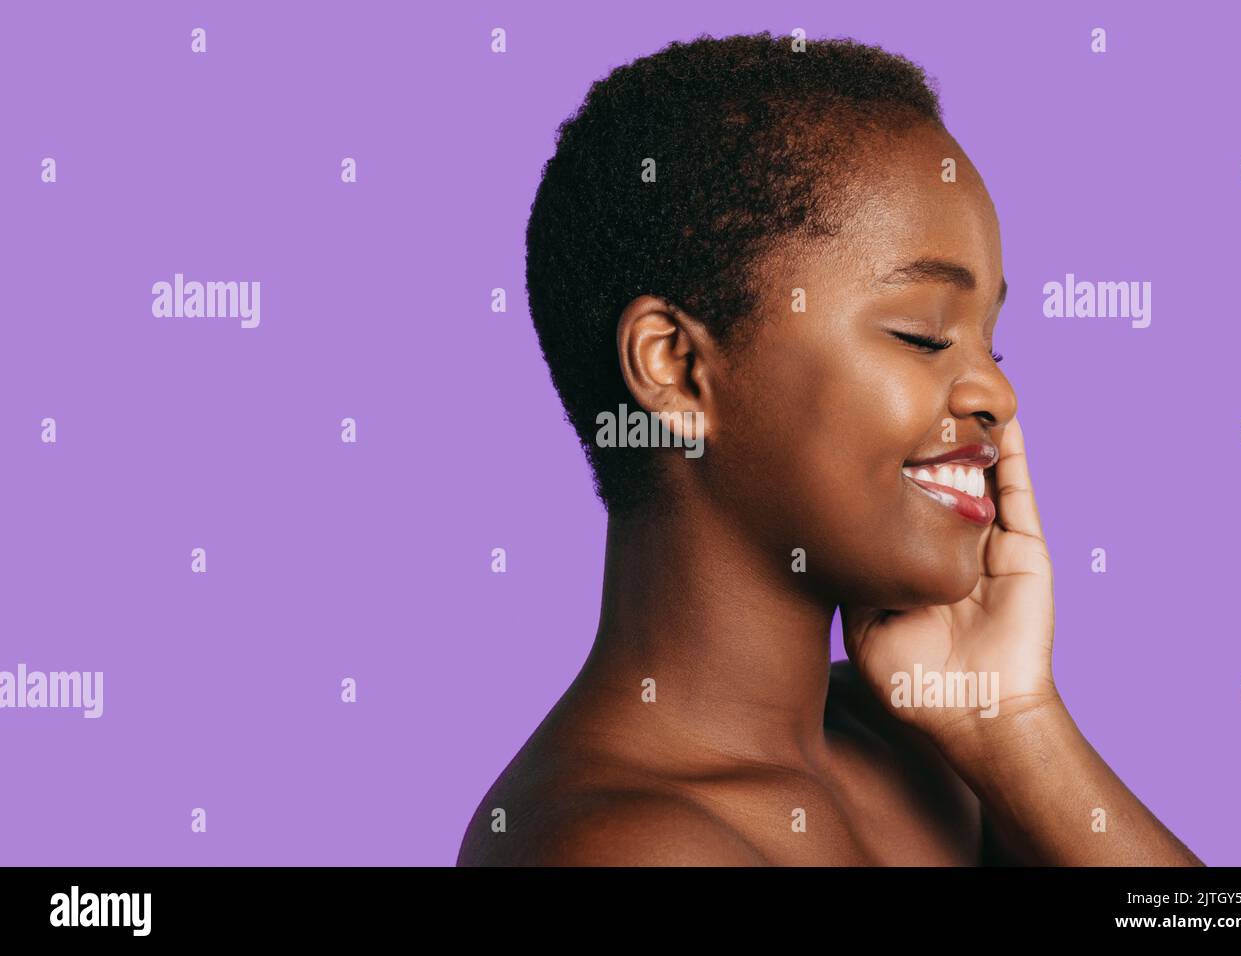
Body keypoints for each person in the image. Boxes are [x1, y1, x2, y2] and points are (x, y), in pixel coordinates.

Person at [457, 32, 1203, 866]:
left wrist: (1014, 727)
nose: (996, 393)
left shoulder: (925, 754)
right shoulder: (621, 845)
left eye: (993, 343)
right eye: (923, 336)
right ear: (675, 367)